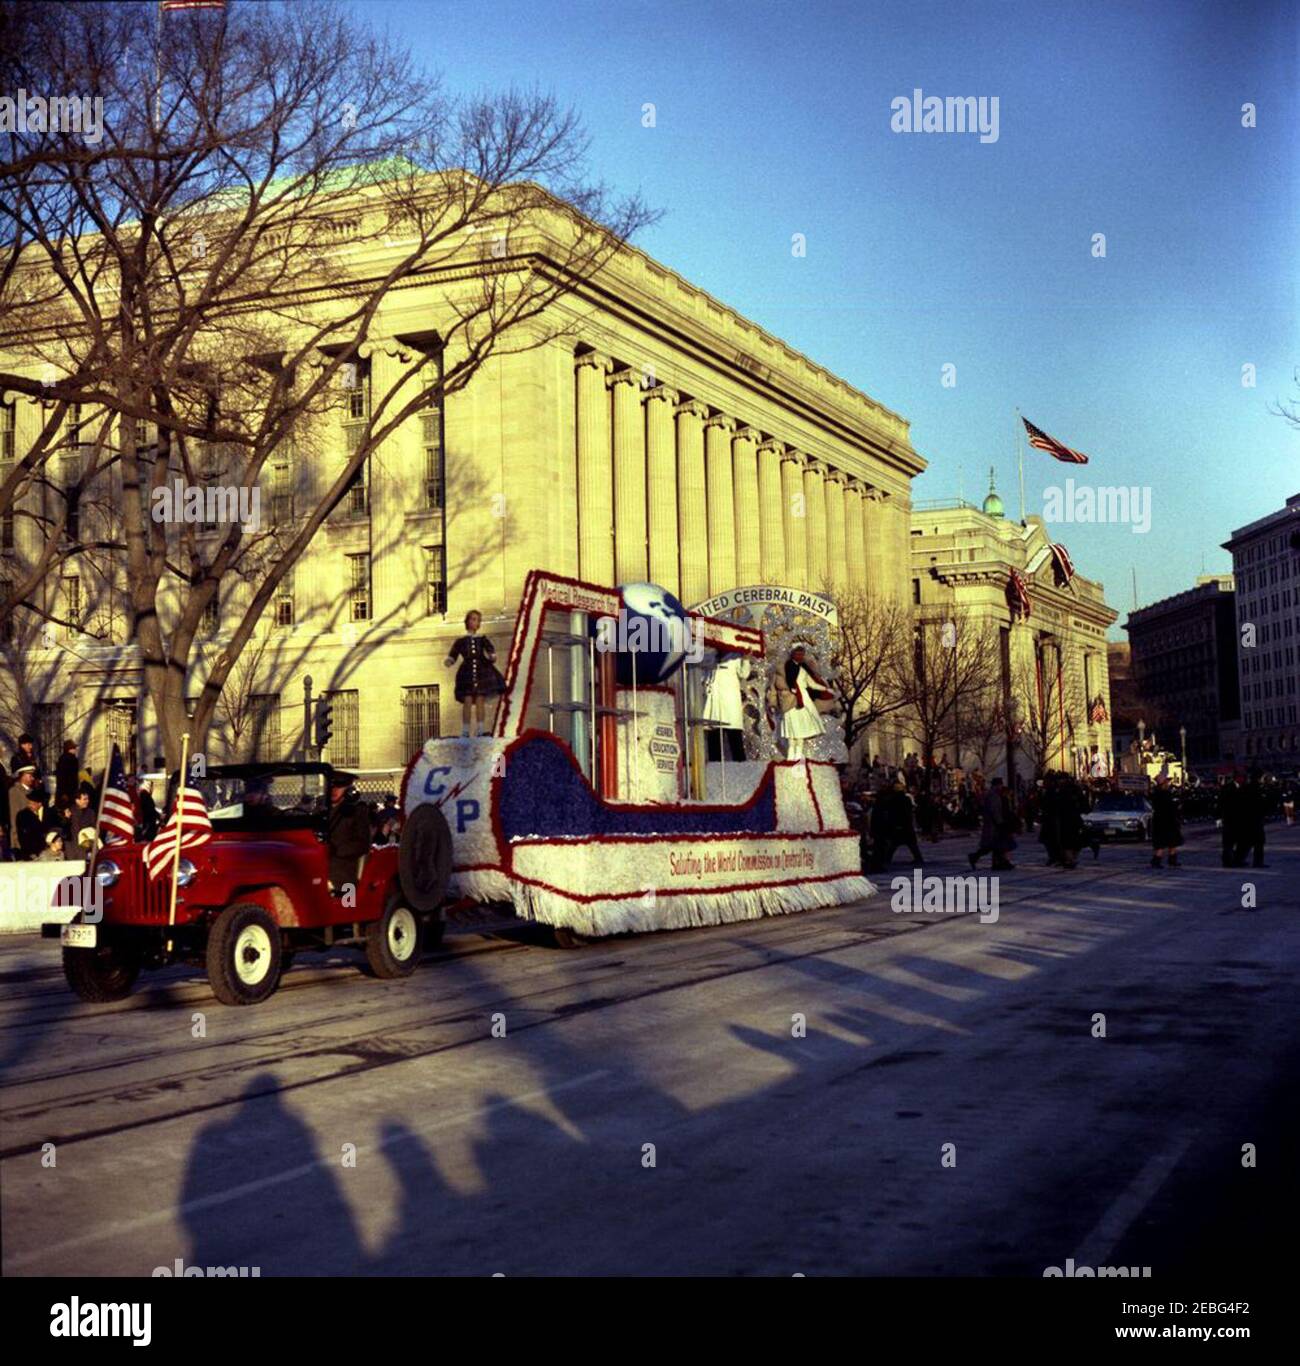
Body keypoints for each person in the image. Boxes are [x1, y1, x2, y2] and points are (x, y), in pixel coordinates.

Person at [446, 610, 503, 738]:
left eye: (477, 620)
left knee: (479, 700)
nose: (475, 622)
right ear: (467, 621)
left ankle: (480, 729)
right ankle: (465, 730)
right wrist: (450, 660)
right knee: (467, 699)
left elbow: (489, 648)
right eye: (472, 619)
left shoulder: (482, 639)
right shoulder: (461, 641)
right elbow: (454, 653)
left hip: (482, 671)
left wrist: (492, 655)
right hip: (466, 672)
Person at [325, 771, 372, 893]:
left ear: (348, 789)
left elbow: (363, 843)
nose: (334, 790)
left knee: (348, 905)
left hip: (344, 872)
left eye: (339, 787)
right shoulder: (321, 810)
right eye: (331, 786)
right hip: (318, 870)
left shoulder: (357, 811)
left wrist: (338, 849)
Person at [781, 644, 828, 761]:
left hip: (803, 701)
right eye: (798, 653)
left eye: (802, 654)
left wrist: (826, 689)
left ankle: (797, 756)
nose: (800, 656)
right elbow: (780, 682)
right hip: (791, 700)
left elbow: (812, 684)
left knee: (801, 729)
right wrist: (790, 689)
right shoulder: (785, 667)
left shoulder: (803, 669)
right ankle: (790, 757)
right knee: (792, 730)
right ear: (792, 654)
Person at [702, 653, 751, 762]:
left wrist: (746, 658)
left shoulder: (735, 656)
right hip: (715, 704)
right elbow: (704, 675)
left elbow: (744, 673)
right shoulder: (710, 655)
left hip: (730, 704)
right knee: (714, 743)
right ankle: (714, 771)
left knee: (735, 741)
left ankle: (741, 772)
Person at [870, 777, 923, 869]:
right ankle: (917, 858)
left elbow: (897, 812)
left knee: (898, 843)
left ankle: (888, 858)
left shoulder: (897, 799)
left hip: (901, 824)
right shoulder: (902, 798)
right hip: (904, 824)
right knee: (904, 843)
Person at [968, 776, 1016, 870]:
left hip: (993, 824)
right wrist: (1000, 822)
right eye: (1000, 785)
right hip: (993, 824)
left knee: (995, 845)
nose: (1001, 787)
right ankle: (975, 857)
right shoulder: (993, 795)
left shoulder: (994, 794)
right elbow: (995, 810)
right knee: (991, 845)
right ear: (996, 785)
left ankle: (998, 863)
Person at [1232, 770, 1267, 869]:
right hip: (1253, 819)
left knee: (1245, 842)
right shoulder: (1255, 789)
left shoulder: (1244, 788)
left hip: (1246, 819)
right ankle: (1257, 862)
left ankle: (1238, 860)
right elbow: (1260, 803)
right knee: (1257, 842)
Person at [1149, 775, 1183, 868]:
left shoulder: (1156, 793)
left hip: (1163, 821)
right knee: (1164, 842)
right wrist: (1176, 805)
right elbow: (1169, 807)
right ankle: (1157, 860)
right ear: (1163, 784)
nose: (1168, 783)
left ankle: (1171, 860)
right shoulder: (1163, 794)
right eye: (1166, 782)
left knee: (1171, 842)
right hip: (1166, 821)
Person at [16, 789, 49, 860]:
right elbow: (23, 836)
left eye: (32, 803)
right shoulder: (23, 815)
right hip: (30, 853)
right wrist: (30, 853)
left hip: (47, 852)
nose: (29, 805)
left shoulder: (48, 813)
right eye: (29, 803)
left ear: (40, 803)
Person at [55, 740, 80, 807]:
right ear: (69, 749)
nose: (75, 750)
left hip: (67, 791)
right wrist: (64, 793)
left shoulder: (64, 759)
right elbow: (62, 777)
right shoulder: (69, 759)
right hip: (68, 791)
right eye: (73, 748)